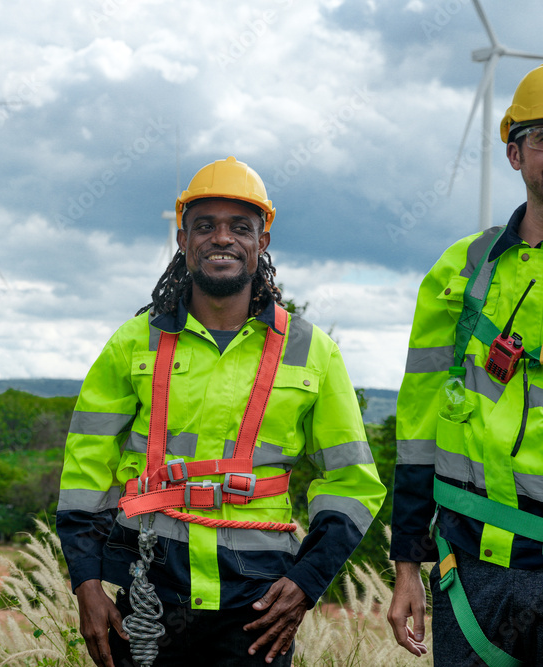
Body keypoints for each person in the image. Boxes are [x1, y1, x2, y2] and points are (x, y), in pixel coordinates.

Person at [56, 156, 386, 667]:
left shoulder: (312, 350)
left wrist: (306, 582)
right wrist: (86, 584)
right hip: (150, 591)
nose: (222, 239)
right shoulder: (132, 342)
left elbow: (354, 481)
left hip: (258, 608)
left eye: (240, 227)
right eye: (204, 226)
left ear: (262, 243)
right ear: (183, 241)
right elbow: (85, 470)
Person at [389, 65, 543, 665]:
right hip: (471, 572)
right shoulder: (460, 270)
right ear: (514, 153)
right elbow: (419, 420)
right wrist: (407, 564)